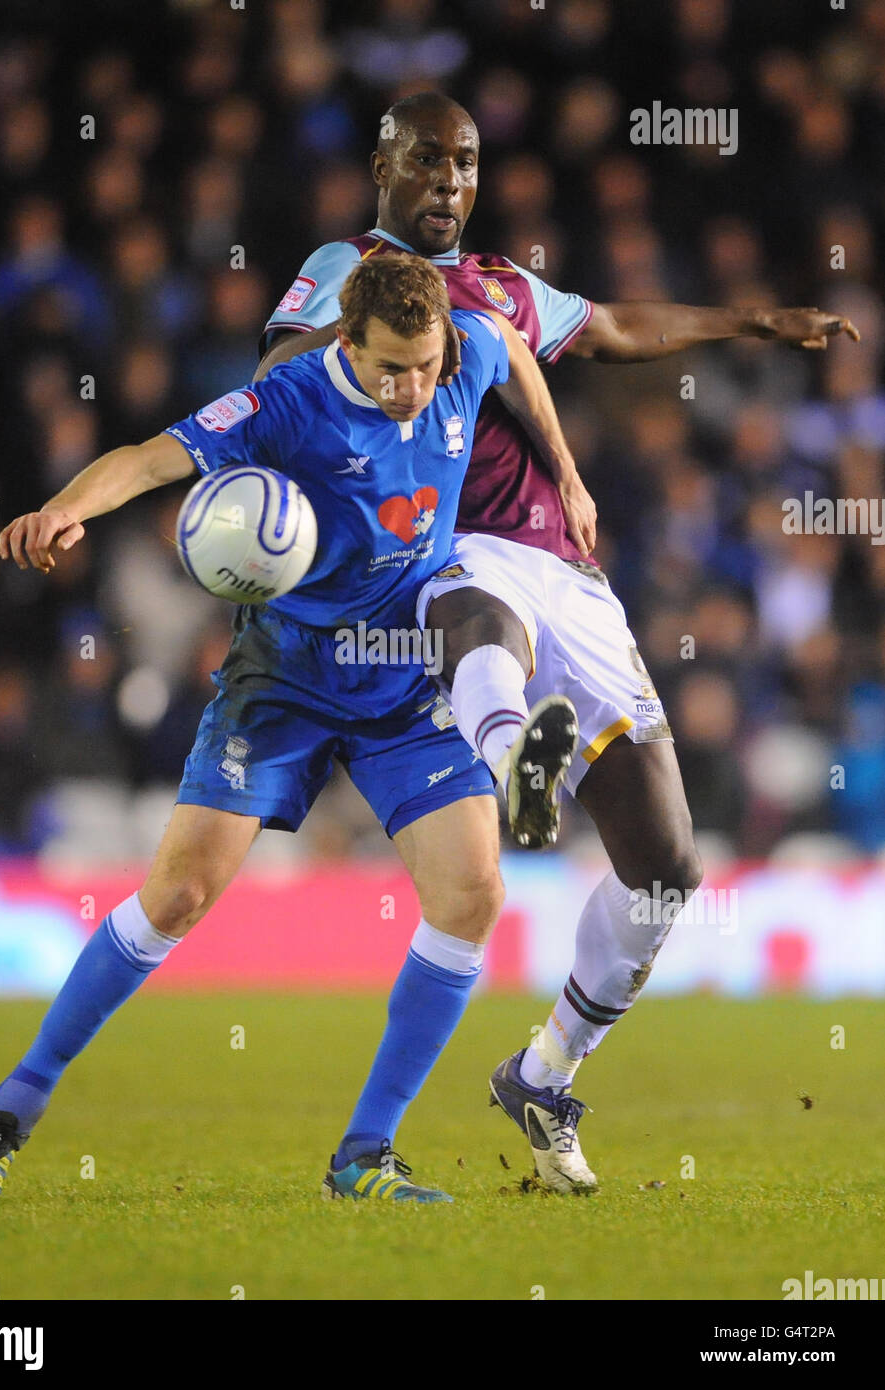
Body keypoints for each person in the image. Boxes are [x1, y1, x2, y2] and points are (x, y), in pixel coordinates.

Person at [257, 91, 861, 1193]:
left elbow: (620, 329)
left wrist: (752, 323)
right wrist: (380, 341)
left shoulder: (504, 286)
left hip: (574, 578)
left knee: (669, 865)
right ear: (384, 165)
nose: (448, 178)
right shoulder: (348, 270)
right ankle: (509, 756)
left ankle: (544, 1071)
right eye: (428, 159)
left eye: (467, 161)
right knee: (481, 616)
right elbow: (279, 367)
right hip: (449, 543)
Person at [0, 253, 579, 1206]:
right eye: (390, 366)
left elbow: (513, 351)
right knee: (180, 894)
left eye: (424, 364)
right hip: (285, 676)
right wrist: (69, 504)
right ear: (345, 341)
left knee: (471, 893)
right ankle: (10, 1111)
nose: (411, 388)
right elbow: (153, 457)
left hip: (404, 675)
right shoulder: (285, 402)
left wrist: (561, 468)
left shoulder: (464, 350)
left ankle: (364, 1155)